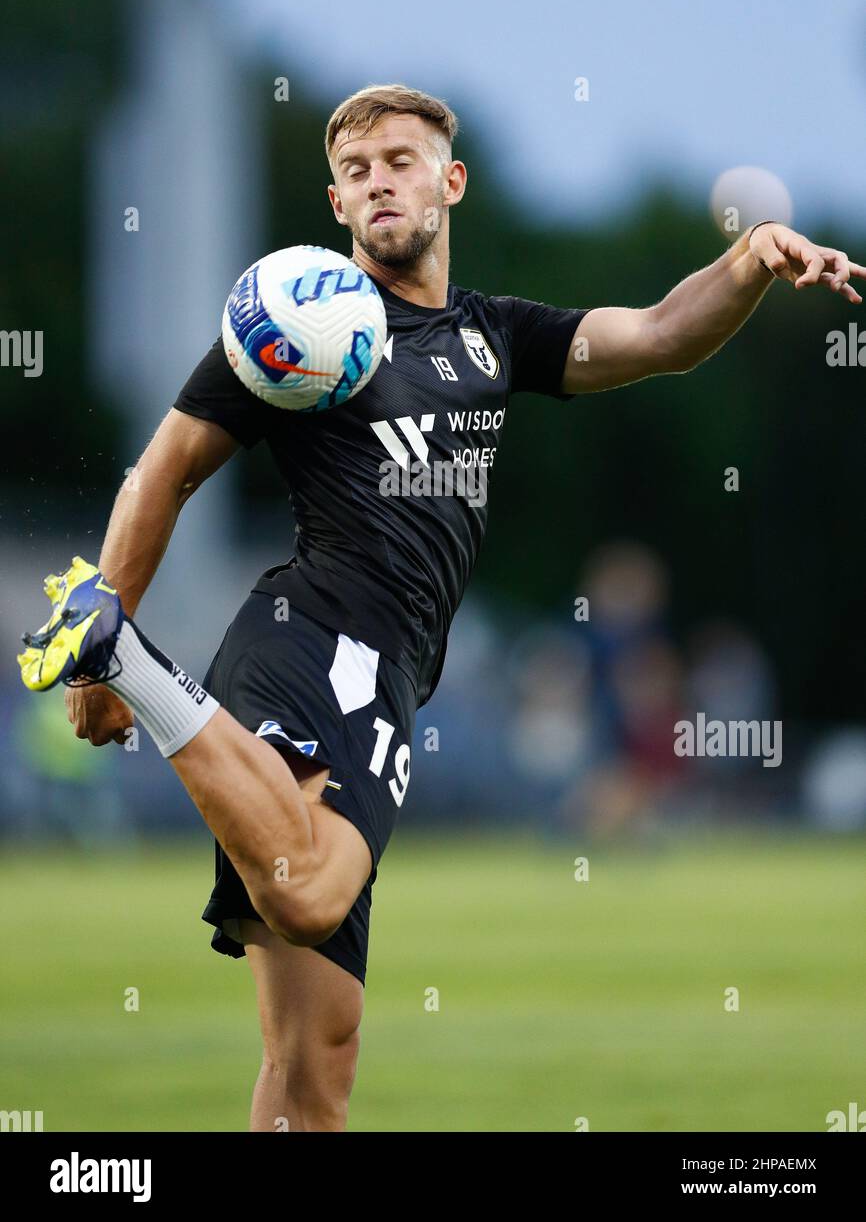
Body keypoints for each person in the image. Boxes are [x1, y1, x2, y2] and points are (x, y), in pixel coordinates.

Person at [17, 83, 865, 1132]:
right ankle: (132, 662)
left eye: (401, 161)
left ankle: (126, 659)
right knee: (309, 888)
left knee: (312, 1067)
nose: (379, 181)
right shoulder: (305, 318)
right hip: (311, 643)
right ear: (336, 204)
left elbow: (656, 335)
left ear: (448, 182)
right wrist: (111, 634)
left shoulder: (492, 336)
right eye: (357, 171)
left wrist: (747, 264)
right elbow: (164, 470)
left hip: (387, 678)